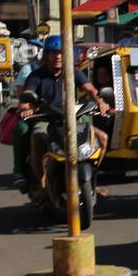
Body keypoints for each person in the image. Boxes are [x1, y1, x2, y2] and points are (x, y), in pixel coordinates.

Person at [23, 35, 109, 198]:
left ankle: (91, 182)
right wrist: (26, 107)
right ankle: (42, 185)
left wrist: (100, 102)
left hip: (72, 117)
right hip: (46, 118)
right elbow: (27, 94)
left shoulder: (73, 72)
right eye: (53, 53)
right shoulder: (36, 75)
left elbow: (90, 89)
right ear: (46, 55)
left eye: (61, 53)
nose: (57, 57)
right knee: (37, 138)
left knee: (102, 138)